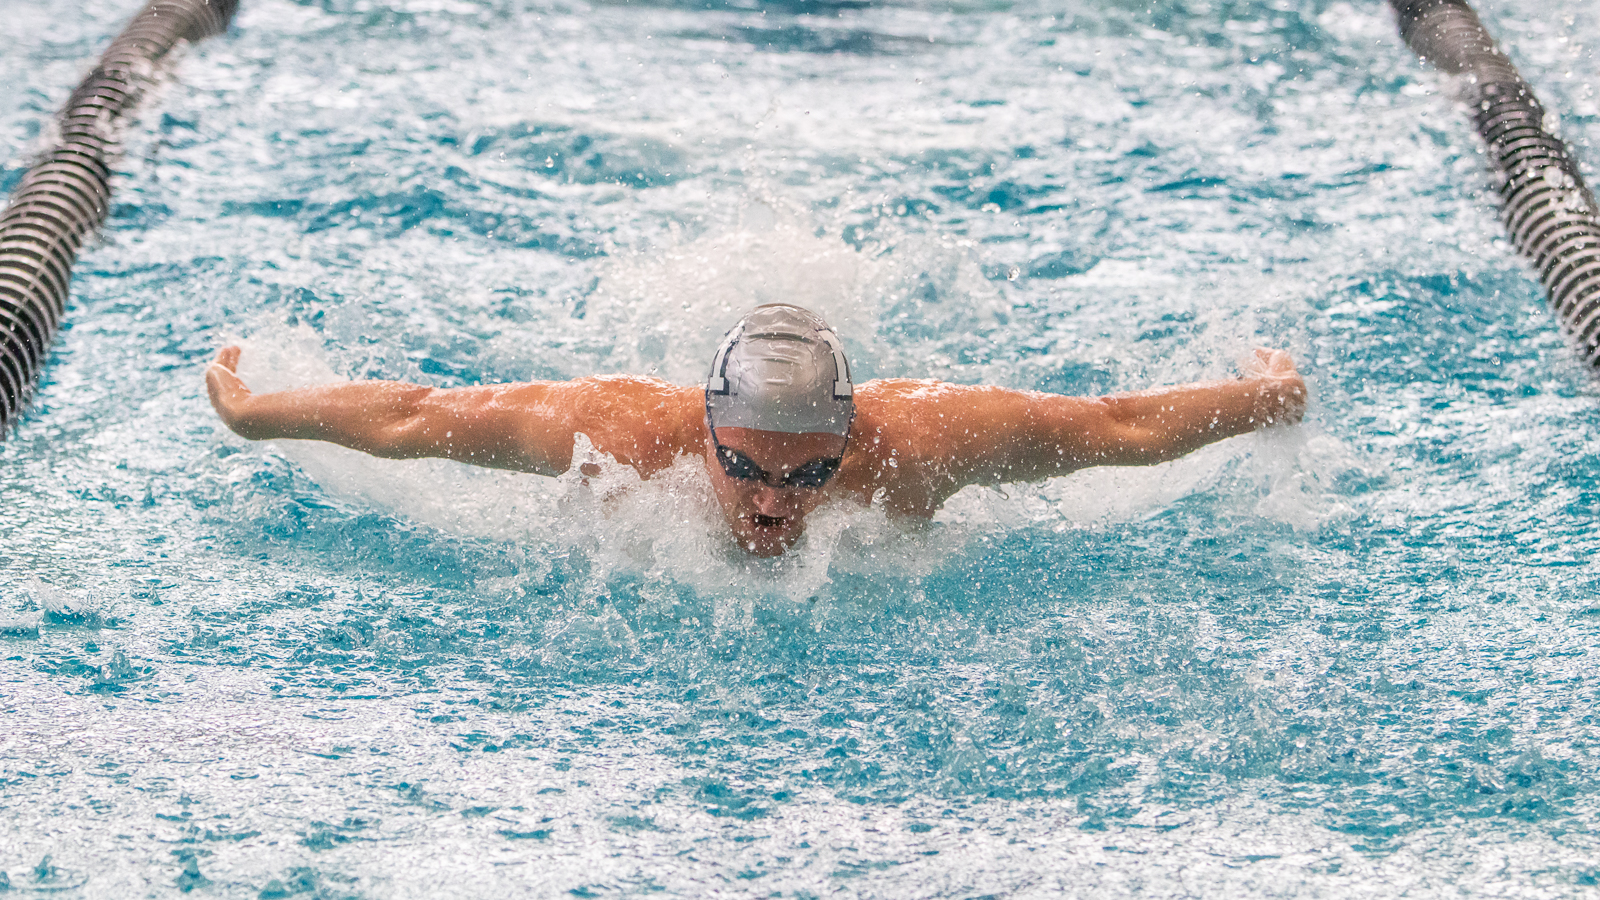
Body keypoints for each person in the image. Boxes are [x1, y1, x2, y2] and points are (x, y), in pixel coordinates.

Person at [206, 304, 1307, 557]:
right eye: (745, 469)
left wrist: (1267, 396)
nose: (776, 501)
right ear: (705, 432)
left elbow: (1113, 429)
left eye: (810, 473)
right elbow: (419, 417)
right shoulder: (623, 433)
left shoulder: (924, 442)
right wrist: (257, 416)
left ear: (850, 438)